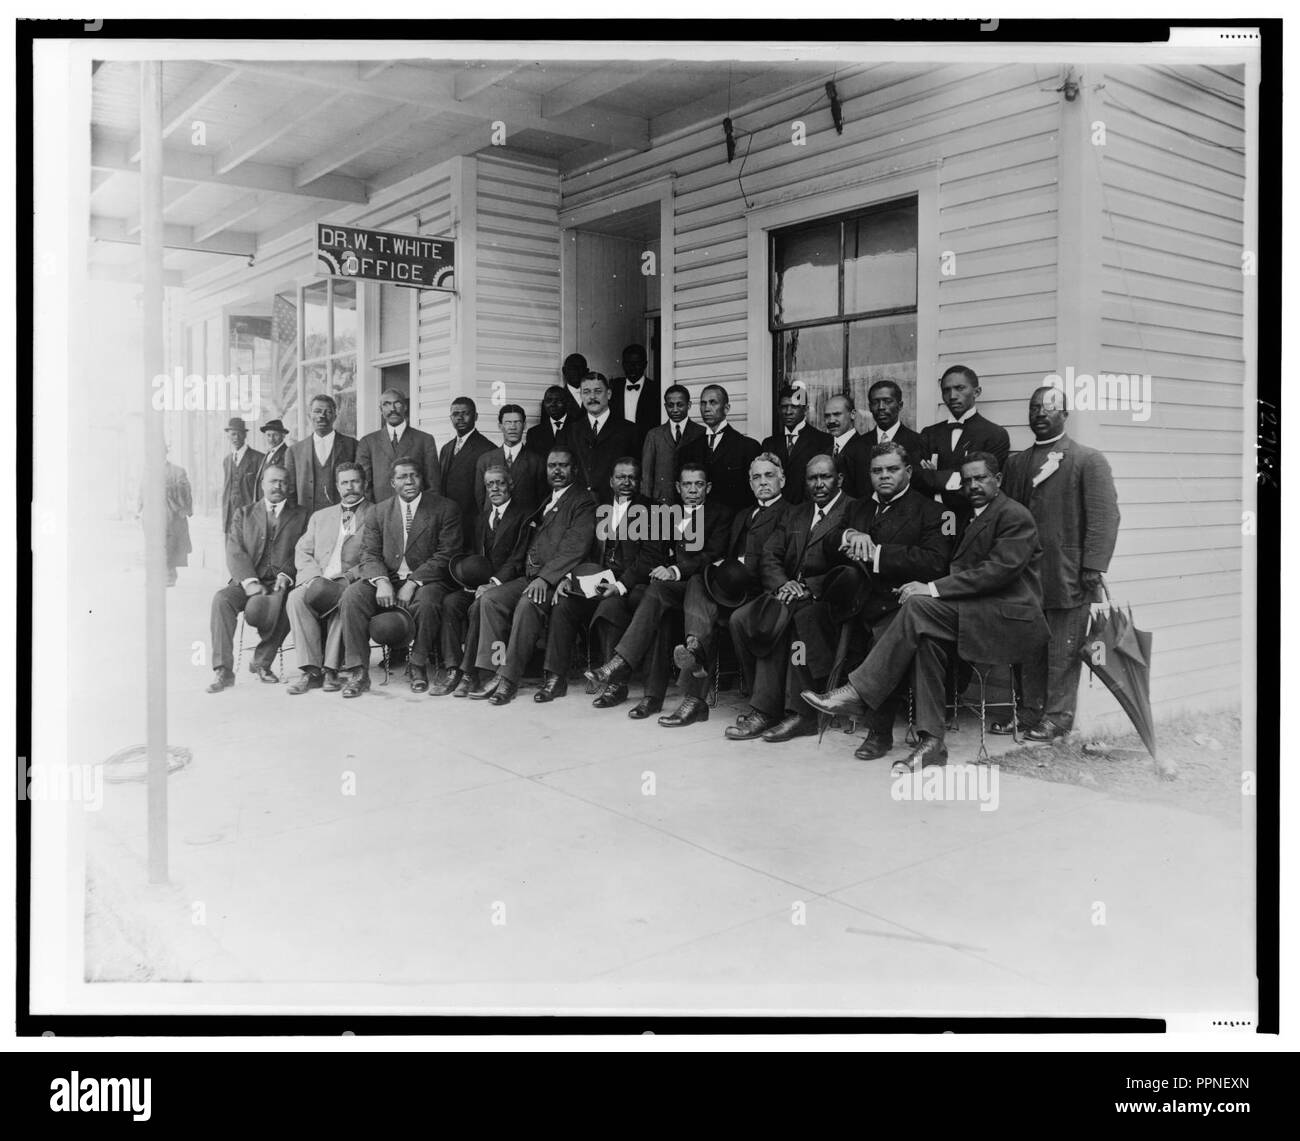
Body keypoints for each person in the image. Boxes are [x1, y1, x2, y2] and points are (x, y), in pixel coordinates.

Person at [802, 453, 1049, 773]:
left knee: (917, 605)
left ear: (998, 480)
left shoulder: (1014, 515)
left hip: (1008, 619)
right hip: (973, 611)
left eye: (981, 478)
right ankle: (931, 743)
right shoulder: (974, 514)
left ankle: (859, 692)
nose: (973, 485)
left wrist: (931, 589)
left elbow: (996, 573)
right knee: (926, 639)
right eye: (968, 480)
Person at [997, 386, 1120, 742]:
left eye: (1049, 408)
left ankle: (1058, 717)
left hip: (1068, 575)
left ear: (1065, 415)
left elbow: (1104, 517)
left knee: (1063, 649)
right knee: (1028, 647)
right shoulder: (1017, 463)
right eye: (1034, 407)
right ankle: (1029, 712)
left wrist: (1092, 566)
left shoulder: (1086, 460)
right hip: (1025, 576)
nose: (1040, 414)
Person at [827, 442, 953, 759]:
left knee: (884, 634)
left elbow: (936, 562)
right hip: (857, 601)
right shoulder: (857, 508)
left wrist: (878, 553)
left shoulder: (931, 511)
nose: (884, 476)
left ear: (908, 472)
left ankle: (878, 734)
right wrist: (848, 536)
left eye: (892, 469)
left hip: (899, 603)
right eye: (877, 470)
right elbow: (828, 543)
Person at [584, 460, 732, 718]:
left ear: (708, 487)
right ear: (678, 487)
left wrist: (674, 570)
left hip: (702, 587)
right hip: (670, 591)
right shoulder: (667, 513)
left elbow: (712, 555)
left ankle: (620, 665)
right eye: (687, 484)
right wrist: (662, 569)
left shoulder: (721, 514)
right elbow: (654, 551)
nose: (693, 490)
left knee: (660, 595)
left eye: (699, 484)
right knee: (655, 599)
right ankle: (648, 693)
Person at [724, 455, 855, 741]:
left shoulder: (854, 511)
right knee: (740, 618)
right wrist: (785, 585)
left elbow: (852, 569)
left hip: (829, 601)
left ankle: (796, 712)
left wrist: (809, 586)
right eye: (812, 478)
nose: (818, 484)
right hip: (788, 595)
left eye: (826, 477)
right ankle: (767, 698)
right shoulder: (796, 513)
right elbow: (771, 554)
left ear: (839, 479)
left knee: (791, 620)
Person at [660, 453, 790, 728]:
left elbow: (780, 558)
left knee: (714, 606)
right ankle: (694, 651)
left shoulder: (791, 513)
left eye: (769, 476)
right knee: (697, 582)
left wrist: (737, 565)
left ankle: (695, 696)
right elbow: (723, 552)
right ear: (750, 483)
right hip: (730, 588)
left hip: (760, 593)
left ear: (782, 479)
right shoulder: (743, 514)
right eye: (756, 477)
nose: (763, 482)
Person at [460, 448, 597, 706]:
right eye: (551, 465)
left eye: (563, 465)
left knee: (527, 604)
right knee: (490, 599)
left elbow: (576, 546)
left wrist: (546, 579)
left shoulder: (582, 501)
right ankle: (491, 671)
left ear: (574, 470)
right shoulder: (548, 500)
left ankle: (508, 679)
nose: (556, 471)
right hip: (530, 576)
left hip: (552, 580)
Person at [538, 458, 665, 703]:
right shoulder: (599, 509)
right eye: (621, 477)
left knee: (609, 607)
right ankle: (555, 678)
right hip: (596, 581)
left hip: (630, 587)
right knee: (563, 604)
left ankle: (615, 684)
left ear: (639, 482)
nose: (626, 482)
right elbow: (582, 548)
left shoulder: (652, 510)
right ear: (611, 481)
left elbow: (651, 556)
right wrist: (567, 578)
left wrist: (619, 586)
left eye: (631, 477)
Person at [337, 458, 463, 697]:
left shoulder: (445, 508)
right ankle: (358, 672)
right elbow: (369, 553)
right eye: (402, 477)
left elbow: (448, 553)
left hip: (428, 578)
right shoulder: (379, 511)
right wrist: (382, 581)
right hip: (389, 577)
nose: (409, 481)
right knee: (352, 596)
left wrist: (414, 582)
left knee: (427, 602)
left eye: (414, 475)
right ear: (392, 482)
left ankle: (417, 665)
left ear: (422, 479)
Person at [207, 465, 309, 692]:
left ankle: (262, 662)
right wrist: (249, 581)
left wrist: (286, 574)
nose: (277, 486)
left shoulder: (302, 515)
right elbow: (234, 550)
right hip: (247, 581)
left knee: (289, 602)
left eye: (282, 482)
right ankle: (223, 670)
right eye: (272, 481)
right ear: (262, 484)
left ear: (289, 486)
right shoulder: (243, 513)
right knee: (221, 600)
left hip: (279, 582)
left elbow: (303, 549)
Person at [432, 463, 531, 697]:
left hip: (507, 585)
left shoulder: (525, 516)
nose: (495, 488)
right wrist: (469, 580)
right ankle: (453, 669)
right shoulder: (481, 518)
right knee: (450, 603)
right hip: (480, 585)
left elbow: (519, 558)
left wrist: (494, 582)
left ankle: (475, 672)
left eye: (500, 483)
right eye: (490, 484)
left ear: (511, 485)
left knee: (480, 605)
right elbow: (473, 554)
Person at [284, 461, 374, 694]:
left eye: (355, 481)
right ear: (337, 486)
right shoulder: (320, 517)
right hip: (319, 578)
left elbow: (377, 557)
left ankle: (331, 670)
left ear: (364, 483)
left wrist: (350, 577)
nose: (350, 487)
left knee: (345, 599)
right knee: (295, 597)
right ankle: (311, 670)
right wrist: (313, 578)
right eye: (344, 482)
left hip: (351, 581)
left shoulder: (377, 514)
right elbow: (303, 550)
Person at [913, 365, 1011, 515]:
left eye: (960, 388)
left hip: (972, 517)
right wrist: (957, 477)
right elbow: (917, 477)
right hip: (932, 517)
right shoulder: (929, 434)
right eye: (946, 390)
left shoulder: (995, 434)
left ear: (976, 392)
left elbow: (984, 485)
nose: (952, 396)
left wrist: (933, 476)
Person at [679, 384, 761, 512]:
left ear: (726, 408)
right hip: (699, 523)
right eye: (703, 403)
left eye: (713, 403)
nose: (706, 408)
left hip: (734, 524)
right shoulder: (688, 450)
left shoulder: (748, 447)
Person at [355, 388, 441, 501]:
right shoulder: (368, 442)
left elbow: (433, 484)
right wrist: (373, 513)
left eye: (397, 403)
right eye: (386, 404)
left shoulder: (424, 440)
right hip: (381, 513)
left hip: (416, 512)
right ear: (381, 409)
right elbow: (363, 484)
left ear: (405, 407)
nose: (392, 409)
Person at [283, 394, 357, 512]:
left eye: (327, 412)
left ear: (335, 416)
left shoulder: (352, 445)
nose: (322, 416)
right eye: (317, 411)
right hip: (306, 519)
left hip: (342, 516)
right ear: (309, 415)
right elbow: (289, 491)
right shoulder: (294, 451)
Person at [571, 373, 638, 500]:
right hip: (580, 507)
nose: (592, 397)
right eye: (586, 392)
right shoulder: (571, 431)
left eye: (598, 391)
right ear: (580, 396)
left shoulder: (630, 430)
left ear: (608, 394)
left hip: (616, 505)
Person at [762, 384, 832, 504]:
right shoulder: (769, 443)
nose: (788, 412)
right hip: (776, 513)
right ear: (778, 409)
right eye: (784, 407)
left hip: (808, 512)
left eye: (794, 406)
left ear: (805, 409)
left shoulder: (823, 440)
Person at [474, 403, 547, 515]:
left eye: (517, 422)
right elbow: (480, 499)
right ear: (500, 426)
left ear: (524, 425)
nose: (513, 427)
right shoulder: (485, 460)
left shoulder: (537, 462)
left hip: (524, 527)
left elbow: (542, 500)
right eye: (508, 422)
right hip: (494, 526)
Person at [640, 384, 705, 505]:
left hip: (691, 501)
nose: (675, 410)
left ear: (689, 405)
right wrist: (646, 504)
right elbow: (646, 476)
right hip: (661, 502)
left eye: (680, 405)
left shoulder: (701, 432)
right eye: (670, 405)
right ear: (665, 406)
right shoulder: (654, 435)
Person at [439, 396, 495, 527]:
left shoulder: (487, 449)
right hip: (447, 520)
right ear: (450, 418)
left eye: (465, 413)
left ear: (475, 416)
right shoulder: (446, 449)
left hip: (473, 522)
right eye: (455, 414)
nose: (460, 418)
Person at [606, 343, 661, 450]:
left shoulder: (655, 389)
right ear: (622, 364)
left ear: (645, 364)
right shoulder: (614, 387)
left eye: (637, 364)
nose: (632, 368)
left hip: (646, 447)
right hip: (618, 446)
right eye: (628, 363)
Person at [861, 380, 925, 467]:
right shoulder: (858, 445)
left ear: (900, 405)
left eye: (887, 401)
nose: (881, 407)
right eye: (875, 402)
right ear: (870, 407)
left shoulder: (919, 443)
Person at [824, 393, 872, 499]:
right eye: (827, 416)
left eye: (837, 414)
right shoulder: (826, 450)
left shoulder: (864, 449)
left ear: (853, 414)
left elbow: (865, 497)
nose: (831, 421)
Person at [221, 416, 263, 533]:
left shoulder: (258, 458)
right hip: (230, 517)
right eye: (233, 434)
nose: (236, 437)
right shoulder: (227, 460)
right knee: (231, 549)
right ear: (228, 436)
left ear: (245, 435)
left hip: (250, 515)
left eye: (239, 434)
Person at [525, 385, 580, 458]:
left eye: (558, 400)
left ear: (567, 403)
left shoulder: (579, 428)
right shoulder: (534, 433)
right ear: (544, 404)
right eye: (549, 400)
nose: (553, 404)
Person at [256, 419, 290, 487]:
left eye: (275, 435)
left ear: (283, 436)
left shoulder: (287, 453)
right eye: (268, 435)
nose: (271, 439)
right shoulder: (268, 453)